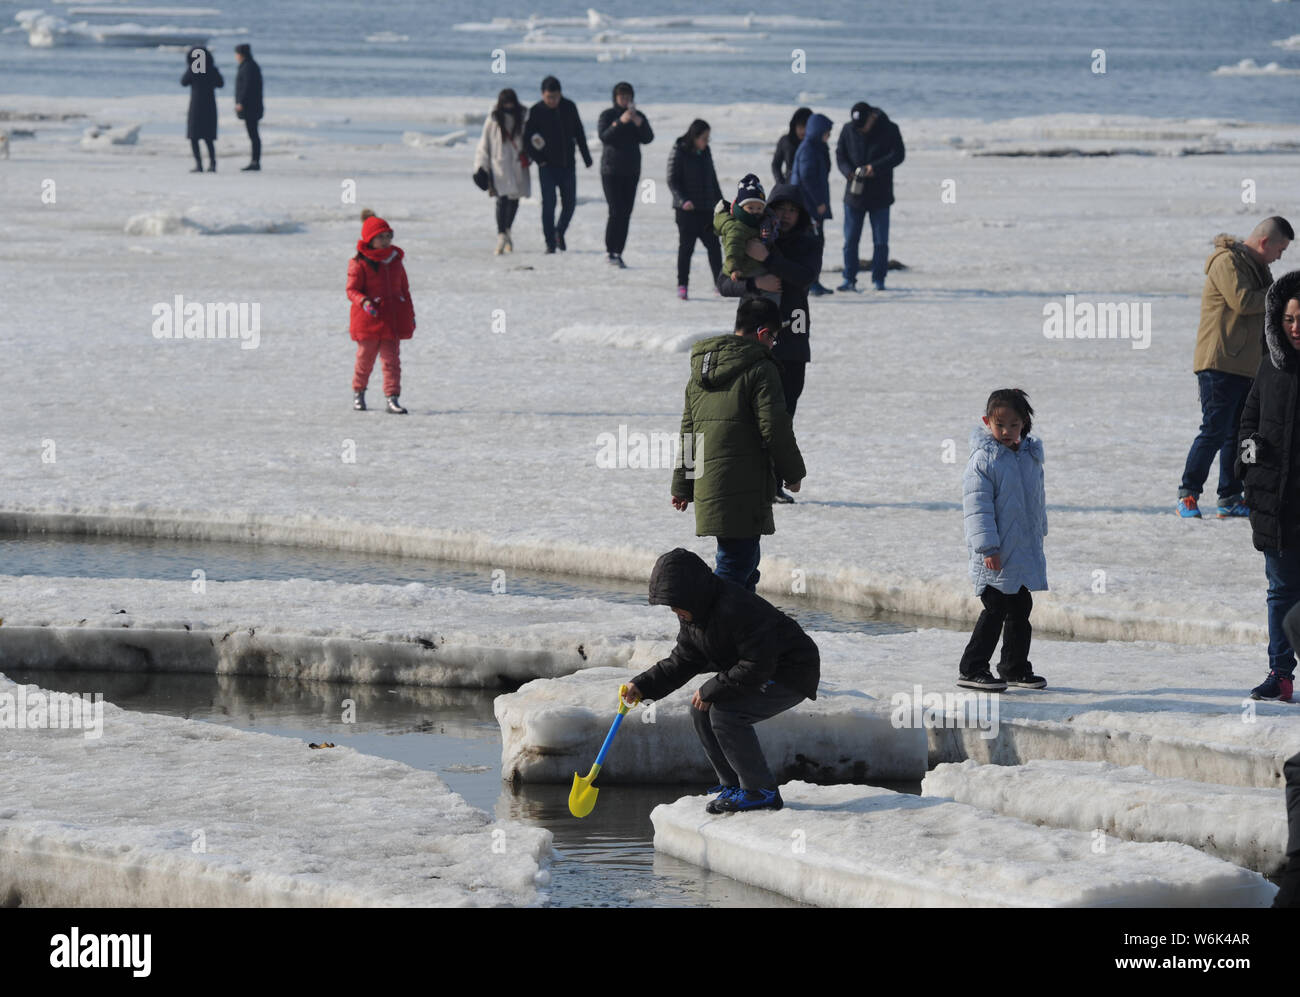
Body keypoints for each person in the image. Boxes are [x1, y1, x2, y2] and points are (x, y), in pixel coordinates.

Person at [622, 547, 820, 814]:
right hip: (758, 670)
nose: (673, 610)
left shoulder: (735, 607)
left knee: (728, 714)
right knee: (700, 709)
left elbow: (758, 664)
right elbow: (683, 660)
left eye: (676, 603)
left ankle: (760, 791)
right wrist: (643, 685)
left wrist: (713, 687)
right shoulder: (695, 614)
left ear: (692, 593)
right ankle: (733, 785)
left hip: (791, 671)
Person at [670, 295, 805, 592]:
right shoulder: (761, 368)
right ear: (761, 334)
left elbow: (688, 433)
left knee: (744, 566)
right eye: (773, 337)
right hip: (743, 487)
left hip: (711, 485)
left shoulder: (700, 374)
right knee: (734, 569)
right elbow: (775, 427)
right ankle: (708, 631)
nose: (774, 345)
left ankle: (742, 633)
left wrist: (683, 485)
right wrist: (793, 473)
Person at [1180, 216, 1293, 519]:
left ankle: (1229, 497)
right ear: (1265, 242)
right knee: (1214, 430)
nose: (1280, 257)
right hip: (1219, 362)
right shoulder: (1226, 262)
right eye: (1280, 250)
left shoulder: (1260, 269)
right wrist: (1279, 297)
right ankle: (1188, 493)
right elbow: (1243, 301)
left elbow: (1272, 310)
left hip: (1247, 365)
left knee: (1239, 434)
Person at [716, 182, 820, 503]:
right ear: (768, 208)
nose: (787, 216)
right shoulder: (747, 232)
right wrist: (753, 281)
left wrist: (769, 258)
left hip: (792, 341)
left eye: (793, 210)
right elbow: (722, 284)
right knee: (748, 414)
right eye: (781, 209)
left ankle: (773, 483)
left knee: (783, 415)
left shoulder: (807, 241)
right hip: (752, 341)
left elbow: (804, 277)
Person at [1235, 269, 1300, 702]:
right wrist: (1250, 459)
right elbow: (1247, 423)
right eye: (1290, 319)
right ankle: (1280, 674)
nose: (1296, 328)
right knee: (1280, 593)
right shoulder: (1270, 366)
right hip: (1276, 503)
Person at [959, 388, 1048, 691]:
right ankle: (972, 668)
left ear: (1024, 423)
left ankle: (1014, 667)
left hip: (1022, 551)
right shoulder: (984, 460)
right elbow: (976, 507)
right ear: (987, 422)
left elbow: (1036, 501)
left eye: (1013, 425)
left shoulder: (1029, 457)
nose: (1007, 432)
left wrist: (1040, 533)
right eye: (1000, 426)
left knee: (1021, 606)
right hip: (994, 554)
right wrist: (987, 547)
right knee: (995, 608)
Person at [347, 210, 415, 415]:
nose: (385, 241)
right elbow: (351, 290)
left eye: (388, 236)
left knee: (392, 362)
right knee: (364, 360)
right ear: (369, 240)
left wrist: (410, 314)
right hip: (368, 320)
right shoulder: (359, 263)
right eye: (380, 237)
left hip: (391, 320)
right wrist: (364, 301)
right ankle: (359, 393)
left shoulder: (395, 261)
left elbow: (404, 290)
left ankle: (392, 398)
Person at [835, 101, 905, 291]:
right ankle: (849, 278)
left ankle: (879, 280)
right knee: (850, 239)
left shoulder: (890, 129)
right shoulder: (848, 129)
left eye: (863, 125)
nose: (861, 130)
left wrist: (876, 168)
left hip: (880, 195)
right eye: (857, 126)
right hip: (854, 194)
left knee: (880, 241)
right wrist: (848, 172)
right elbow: (840, 155)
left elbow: (898, 155)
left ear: (872, 117)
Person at [523, 76, 592, 254]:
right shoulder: (536, 111)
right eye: (549, 97)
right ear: (542, 95)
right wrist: (539, 160)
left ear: (560, 94)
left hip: (568, 164)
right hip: (547, 166)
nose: (553, 101)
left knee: (569, 204)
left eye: (556, 97)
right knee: (549, 204)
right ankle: (550, 243)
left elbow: (579, 132)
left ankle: (559, 232)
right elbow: (526, 139)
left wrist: (586, 156)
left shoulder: (569, 107)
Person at [596, 81, 653, 268]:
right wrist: (621, 122)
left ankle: (618, 252)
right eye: (622, 97)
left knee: (626, 212)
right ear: (615, 98)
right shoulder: (608, 115)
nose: (625, 100)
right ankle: (609, 250)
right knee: (615, 210)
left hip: (631, 171)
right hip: (610, 171)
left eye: (628, 97)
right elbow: (604, 136)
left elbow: (648, 138)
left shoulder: (638, 116)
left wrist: (640, 123)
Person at [666, 118, 722, 300]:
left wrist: (722, 204)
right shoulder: (679, 151)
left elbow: (713, 180)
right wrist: (683, 201)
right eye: (704, 138)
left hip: (706, 209)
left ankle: (719, 283)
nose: (706, 142)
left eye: (708, 138)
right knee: (686, 249)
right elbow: (672, 180)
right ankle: (682, 286)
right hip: (686, 211)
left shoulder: (706, 152)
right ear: (694, 136)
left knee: (714, 247)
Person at [474, 88, 531, 255]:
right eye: (505, 104)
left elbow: (529, 141)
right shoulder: (493, 119)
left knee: (514, 200)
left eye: (510, 104)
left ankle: (507, 231)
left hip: (517, 166)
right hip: (499, 165)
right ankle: (501, 235)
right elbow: (484, 145)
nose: (508, 107)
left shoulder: (523, 117)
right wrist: (480, 167)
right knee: (501, 199)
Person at [713, 174, 780, 303]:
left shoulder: (761, 221)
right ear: (741, 208)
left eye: (759, 208)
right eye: (750, 208)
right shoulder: (738, 228)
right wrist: (735, 269)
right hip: (743, 269)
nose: (755, 211)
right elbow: (733, 249)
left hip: (754, 268)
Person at [788, 111, 834, 296]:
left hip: (809, 207)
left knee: (814, 244)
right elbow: (807, 178)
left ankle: (813, 281)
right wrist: (819, 203)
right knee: (811, 245)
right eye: (826, 132)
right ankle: (810, 282)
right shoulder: (809, 149)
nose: (828, 136)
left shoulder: (815, 147)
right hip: (808, 207)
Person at [181, 46, 223, 173]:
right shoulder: (211, 69)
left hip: (196, 106)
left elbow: (183, 82)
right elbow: (220, 83)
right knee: (208, 138)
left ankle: (199, 164)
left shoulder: (194, 70)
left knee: (194, 137)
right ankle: (212, 163)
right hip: (209, 106)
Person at [233, 43, 263, 172]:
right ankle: (255, 161)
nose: (235, 56)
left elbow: (247, 87)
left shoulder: (248, 67)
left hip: (251, 107)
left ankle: (255, 161)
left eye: (237, 54)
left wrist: (241, 102)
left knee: (253, 135)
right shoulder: (250, 65)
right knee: (253, 134)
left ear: (241, 54)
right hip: (254, 106)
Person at [770, 107, 811, 186]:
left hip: (810, 187)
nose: (803, 131)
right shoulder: (786, 141)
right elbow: (776, 165)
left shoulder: (815, 144)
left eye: (806, 127)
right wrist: (780, 182)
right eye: (800, 126)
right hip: (790, 185)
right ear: (794, 125)